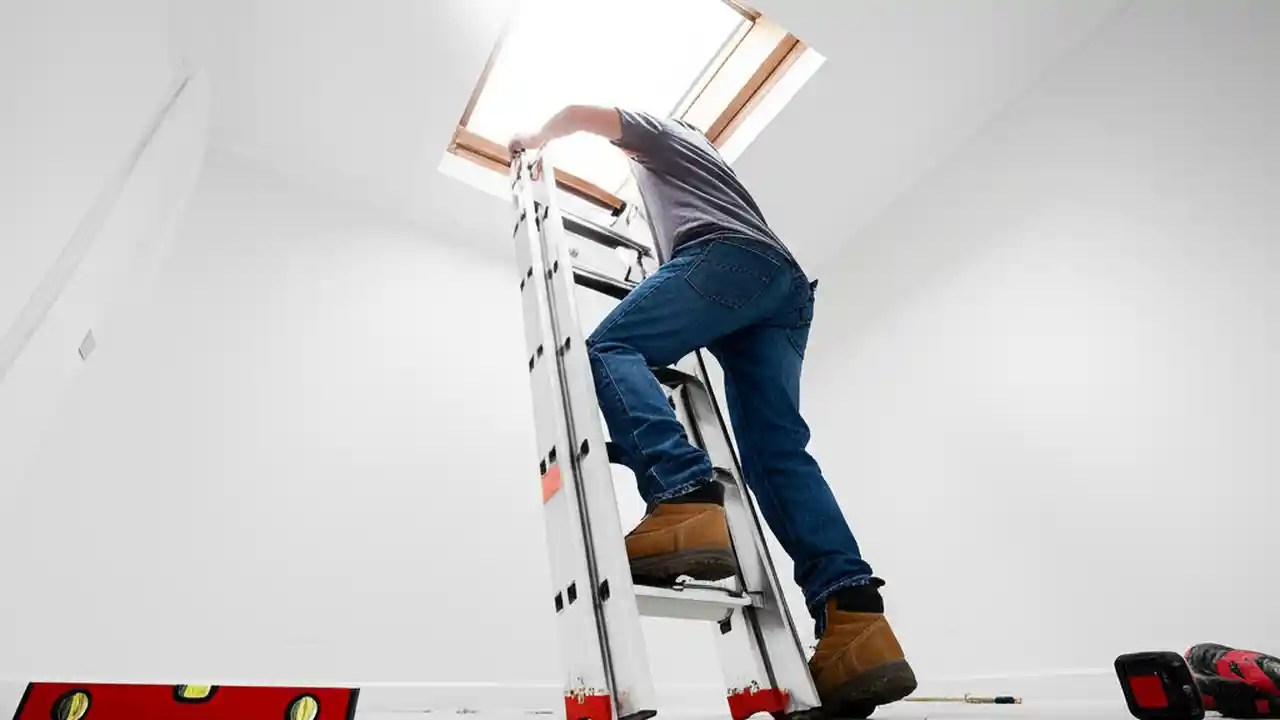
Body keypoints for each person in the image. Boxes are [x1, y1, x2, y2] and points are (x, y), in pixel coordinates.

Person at [509, 106, 916, 713]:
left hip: (725, 260)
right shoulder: (708, 163)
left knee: (610, 347)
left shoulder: (656, 133)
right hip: (782, 288)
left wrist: (536, 138)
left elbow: (583, 113)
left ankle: (683, 498)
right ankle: (854, 617)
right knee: (776, 453)